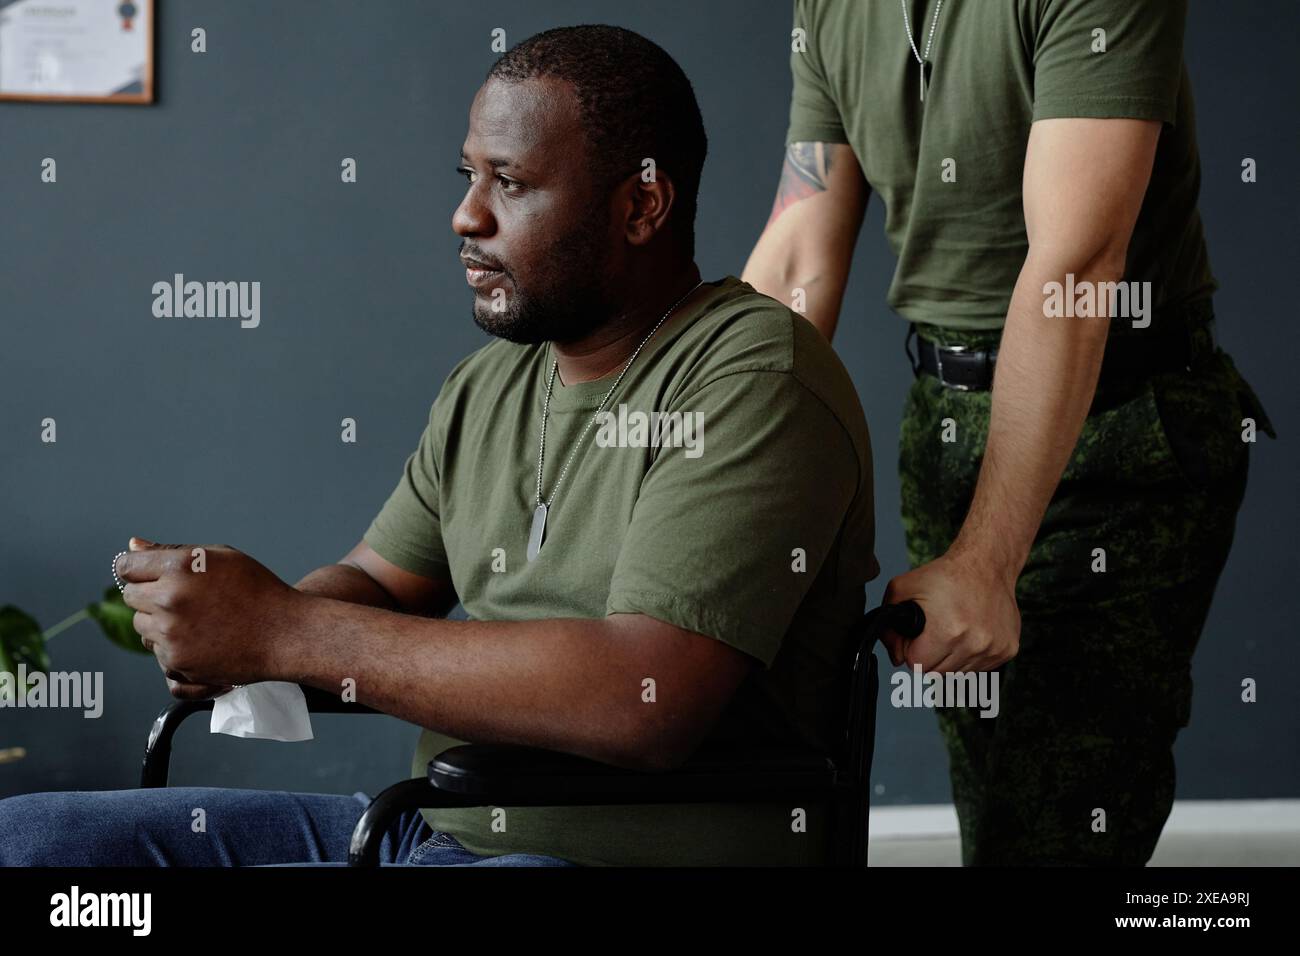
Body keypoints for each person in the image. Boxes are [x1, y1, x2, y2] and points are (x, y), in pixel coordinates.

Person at [0, 25, 879, 867]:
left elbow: (643, 698)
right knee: (28, 844)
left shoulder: (754, 376)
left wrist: (286, 631)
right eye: (467, 177)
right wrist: (232, 633)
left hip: (599, 858)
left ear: (640, 204)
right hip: (433, 830)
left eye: (512, 183)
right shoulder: (488, 387)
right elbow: (381, 587)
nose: (466, 216)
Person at [742, 0, 1275, 865]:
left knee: (1056, 825)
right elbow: (801, 249)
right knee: (997, 795)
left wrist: (988, 560)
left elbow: (1076, 266)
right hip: (941, 424)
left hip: (1114, 425)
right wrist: (671, 463)